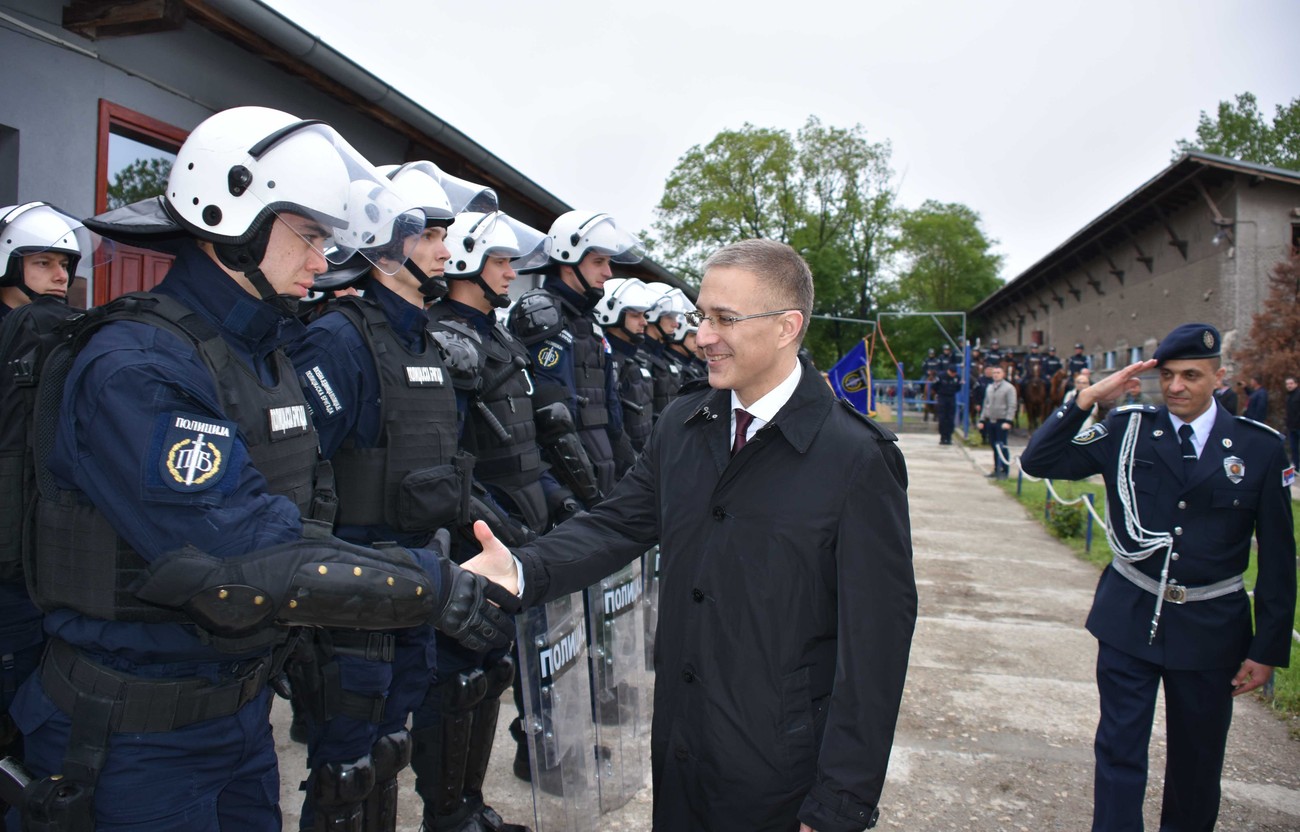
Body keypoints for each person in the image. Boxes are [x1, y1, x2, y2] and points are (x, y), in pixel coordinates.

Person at [10, 107, 515, 831]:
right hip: (133, 737)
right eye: (309, 236)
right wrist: (436, 588)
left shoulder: (262, 353)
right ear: (236, 217)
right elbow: (245, 550)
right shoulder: (136, 366)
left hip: (236, 716)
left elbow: (305, 505)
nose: (323, 260)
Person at [464, 238, 917, 832]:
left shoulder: (856, 459)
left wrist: (841, 803)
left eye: (724, 319)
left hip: (779, 768)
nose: (702, 334)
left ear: (787, 327)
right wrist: (523, 568)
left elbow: (876, 649)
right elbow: (618, 523)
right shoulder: (686, 423)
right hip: (682, 742)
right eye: (703, 315)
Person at [284, 159, 505, 831]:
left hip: (413, 579)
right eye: (429, 234)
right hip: (350, 592)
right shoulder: (338, 340)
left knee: (392, 746)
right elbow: (297, 475)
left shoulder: (431, 345)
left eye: (445, 234)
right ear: (383, 245)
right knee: (348, 766)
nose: (445, 249)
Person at [1019, 323, 1296, 832]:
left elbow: (1279, 556)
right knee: (1119, 752)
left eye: (1191, 375)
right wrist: (1087, 398)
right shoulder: (1129, 428)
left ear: (1220, 377)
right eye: (1167, 375)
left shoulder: (1258, 449)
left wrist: (1266, 649)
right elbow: (1039, 461)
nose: (1175, 387)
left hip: (1213, 628)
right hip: (1130, 616)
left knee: (1197, 763)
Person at [417, 207, 551, 832]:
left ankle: (470, 806)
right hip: (476, 536)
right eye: (500, 261)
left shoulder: (494, 336)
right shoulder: (448, 336)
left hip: (514, 526)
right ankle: (449, 815)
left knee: (491, 671)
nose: (510, 272)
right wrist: (494, 526)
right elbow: (448, 456)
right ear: (469, 260)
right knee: (459, 680)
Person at [0, 203, 109, 766]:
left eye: (65, 265)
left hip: (46, 561)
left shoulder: (65, 339)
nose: (60, 278)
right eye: (42, 263)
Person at [510, 211, 643, 500]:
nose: (608, 272)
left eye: (608, 262)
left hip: (602, 471)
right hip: (564, 482)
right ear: (568, 260)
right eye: (599, 262)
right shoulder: (541, 312)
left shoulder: (589, 321)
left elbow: (611, 407)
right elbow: (553, 417)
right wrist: (584, 492)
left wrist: (630, 471)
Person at [594, 277, 660, 478]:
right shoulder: (603, 356)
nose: (644, 322)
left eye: (644, 315)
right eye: (636, 315)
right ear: (612, 312)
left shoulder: (632, 358)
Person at [978, 365, 1016, 478]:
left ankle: (1005, 470)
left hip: (1002, 421)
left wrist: (1009, 421)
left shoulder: (1009, 388)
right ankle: (996, 468)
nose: (995, 374)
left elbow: (1012, 405)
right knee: (994, 446)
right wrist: (982, 419)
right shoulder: (989, 387)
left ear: (1003, 374)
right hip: (991, 420)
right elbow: (986, 404)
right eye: (994, 372)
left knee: (1002, 446)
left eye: (998, 372)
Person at [934, 364, 962, 445]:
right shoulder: (941, 376)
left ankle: (949, 437)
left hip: (951, 398)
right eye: (952, 373)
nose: (953, 375)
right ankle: (943, 437)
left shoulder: (957, 377)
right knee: (942, 418)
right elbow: (935, 386)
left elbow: (958, 387)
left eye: (954, 373)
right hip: (942, 397)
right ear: (948, 371)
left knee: (950, 418)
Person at [1285, 375, 1299, 465]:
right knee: (1294, 448)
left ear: (1296, 384)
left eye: (1291, 383)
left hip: (1298, 426)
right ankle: (1296, 466)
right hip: (1292, 427)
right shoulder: (1289, 396)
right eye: (1287, 384)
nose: (1289, 385)